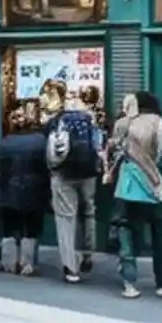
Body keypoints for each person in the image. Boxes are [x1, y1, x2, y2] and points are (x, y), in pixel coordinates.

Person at [107, 92, 162, 299]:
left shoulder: (121, 125)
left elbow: (110, 153)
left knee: (127, 233)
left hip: (125, 189)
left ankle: (129, 284)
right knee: (161, 234)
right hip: (153, 190)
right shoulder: (159, 126)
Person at [42, 79, 104, 284]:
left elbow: (53, 150)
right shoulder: (90, 119)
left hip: (64, 174)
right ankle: (88, 255)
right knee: (89, 212)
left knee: (66, 219)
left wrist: (52, 168)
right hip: (88, 174)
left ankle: (70, 267)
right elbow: (98, 147)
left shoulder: (58, 120)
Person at [0, 111, 50, 276]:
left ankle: (9, 263)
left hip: (8, 189)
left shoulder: (4, 143)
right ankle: (27, 263)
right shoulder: (40, 141)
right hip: (35, 189)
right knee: (31, 228)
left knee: (9, 227)